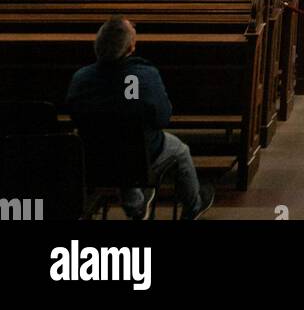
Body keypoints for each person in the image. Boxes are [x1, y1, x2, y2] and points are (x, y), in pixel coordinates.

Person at [66, 16, 214, 220]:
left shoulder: (81, 77)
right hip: (139, 155)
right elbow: (163, 118)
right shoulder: (142, 75)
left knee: (122, 144)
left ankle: (135, 202)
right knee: (180, 151)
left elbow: (74, 113)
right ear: (130, 49)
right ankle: (193, 206)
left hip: (93, 155)